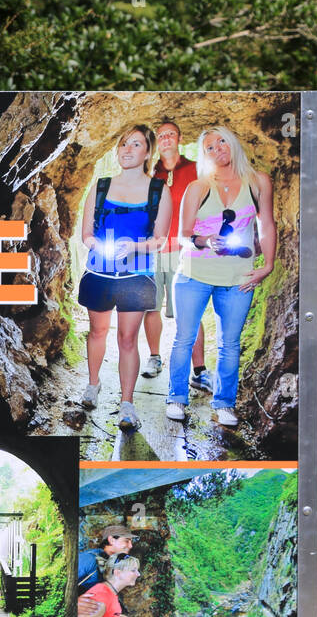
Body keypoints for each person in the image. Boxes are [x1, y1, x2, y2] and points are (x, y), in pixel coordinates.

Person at [166, 126, 277, 428]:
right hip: (194, 274)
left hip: (239, 275)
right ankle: (176, 398)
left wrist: (267, 265)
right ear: (205, 155)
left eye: (222, 142)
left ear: (233, 143)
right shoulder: (199, 187)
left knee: (230, 343)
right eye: (210, 147)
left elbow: (266, 224)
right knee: (184, 339)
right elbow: (184, 235)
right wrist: (205, 240)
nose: (217, 149)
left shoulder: (257, 182)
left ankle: (224, 404)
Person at [78, 124, 173, 432]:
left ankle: (127, 404)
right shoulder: (101, 186)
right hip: (99, 272)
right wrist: (100, 248)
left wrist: (133, 246)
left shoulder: (159, 190)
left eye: (135, 144)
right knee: (97, 331)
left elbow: (160, 240)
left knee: (128, 338)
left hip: (136, 276)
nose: (127, 150)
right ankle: (93, 385)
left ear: (148, 152)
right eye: (123, 144)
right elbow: (87, 235)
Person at [143, 120, 211, 391]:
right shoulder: (148, 173)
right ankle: (154, 357)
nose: (166, 139)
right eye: (161, 135)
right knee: (151, 306)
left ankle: (199, 370)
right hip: (154, 250)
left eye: (170, 134)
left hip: (187, 251)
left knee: (190, 311)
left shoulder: (196, 170)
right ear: (156, 143)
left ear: (180, 138)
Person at [76, 524, 135, 593]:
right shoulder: (89, 559)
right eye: (126, 541)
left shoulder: (113, 563)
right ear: (112, 540)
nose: (131, 546)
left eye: (131, 542)